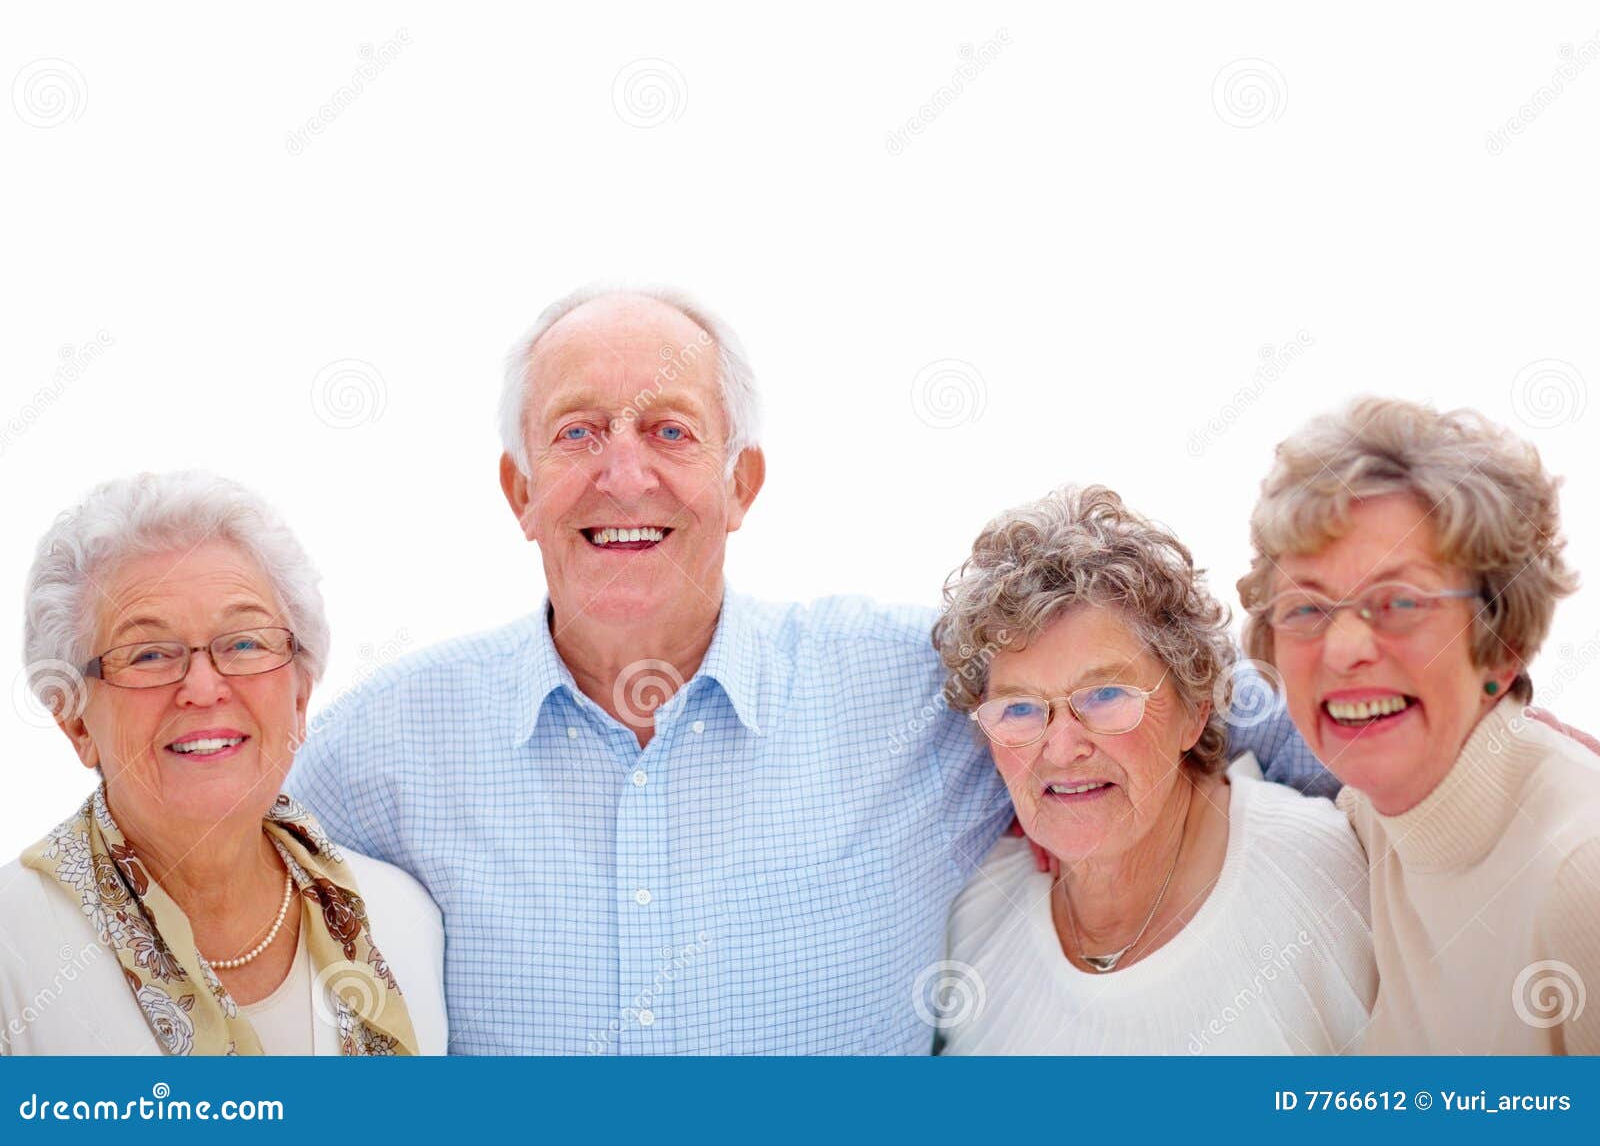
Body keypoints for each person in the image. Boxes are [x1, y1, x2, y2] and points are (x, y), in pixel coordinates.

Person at [286, 282, 1330, 1054]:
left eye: (669, 429)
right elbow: (218, 863)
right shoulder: (389, 742)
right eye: (578, 432)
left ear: (741, 481)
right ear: (520, 489)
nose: (624, 472)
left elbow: (1198, 691)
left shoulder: (913, 684)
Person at [0, 471, 446, 1055]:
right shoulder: (14, 949)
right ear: (76, 721)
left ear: (300, 695)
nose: (204, 689)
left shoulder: (402, 917)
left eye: (244, 643)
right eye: (149, 654)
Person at [934, 485, 1374, 1054]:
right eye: (1018, 709)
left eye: (1106, 695)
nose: (1061, 749)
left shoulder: (1315, 870)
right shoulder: (980, 906)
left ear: (1194, 710)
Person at [1239, 397, 1599, 1054]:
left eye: (1400, 601)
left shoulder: (1581, 874)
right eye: (1307, 608)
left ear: (1502, 642)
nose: (1344, 648)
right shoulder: (1371, 814)